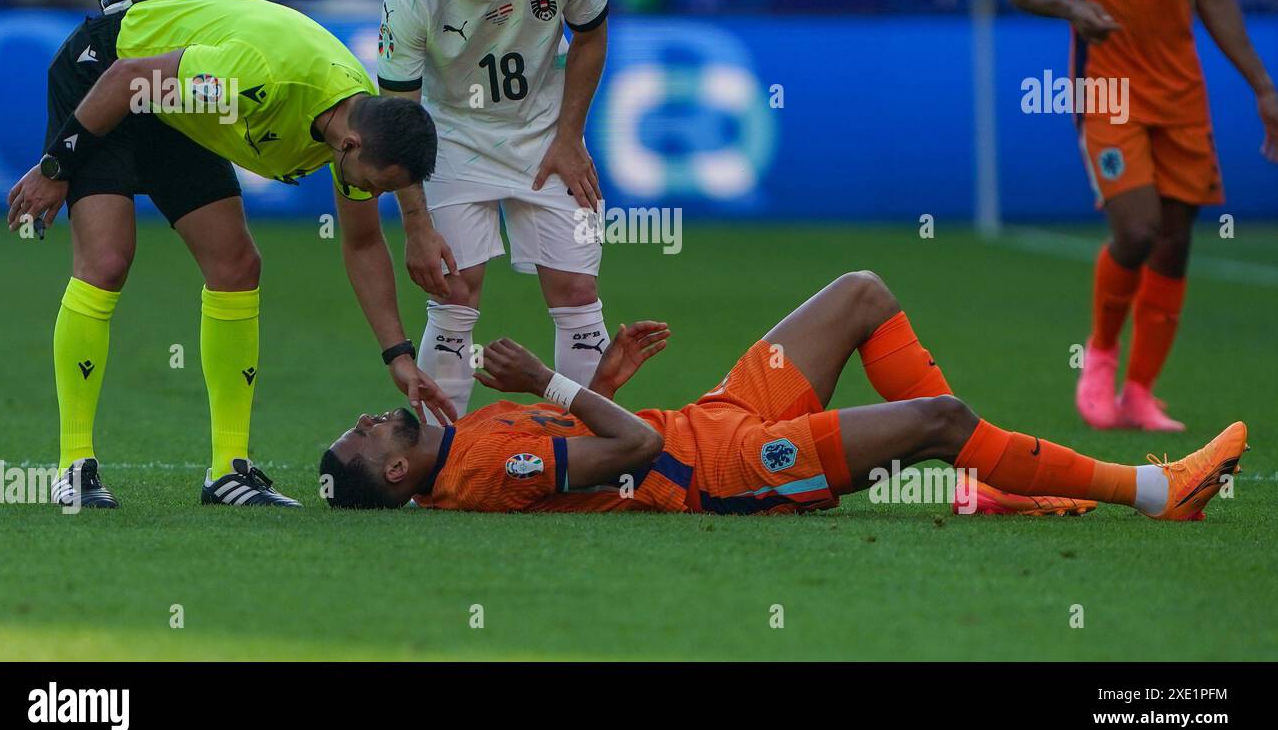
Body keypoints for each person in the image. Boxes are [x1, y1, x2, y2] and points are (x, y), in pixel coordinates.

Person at [6, 0, 455, 509]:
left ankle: (228, 471)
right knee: (106, 261)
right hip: (110, 72)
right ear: (352, 147)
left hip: (176, 108)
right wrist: (55, 167)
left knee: (238, 266)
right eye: (378, 184)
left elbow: (361, 242)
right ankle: (74, 466)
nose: (372, 194)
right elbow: (129, 80)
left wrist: (397, 356)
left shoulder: (359, 133)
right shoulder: (263, 76)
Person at [320, 270, 1245, 521]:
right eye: (363, 440)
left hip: (717, 414)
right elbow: (636, 457)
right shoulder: (478, 465)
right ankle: (1156, 493)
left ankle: (989, 475)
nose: (367, 419)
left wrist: (600, 383)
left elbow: (592, 439)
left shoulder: (470, 433)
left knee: (861, 293)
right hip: (724, 469)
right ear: (396, 474)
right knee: (940, 421)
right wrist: (553, 378)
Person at [1006, 0, 1278, 431]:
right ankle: (1099, 358)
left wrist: (1263, 87)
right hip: (1107, 87)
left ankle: (1140, 393)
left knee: (1176, 244)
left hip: (1180, 90)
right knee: (1136, 231)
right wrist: (1073, 10)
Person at [377, 0, 612, 419]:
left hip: (546, 136)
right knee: (454, 295)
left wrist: (571, 138)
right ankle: (440, 458)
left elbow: (591, 37)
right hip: (450, 139)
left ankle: (589, 452)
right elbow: (399, 115)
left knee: (578, 291)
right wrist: (415, 223)